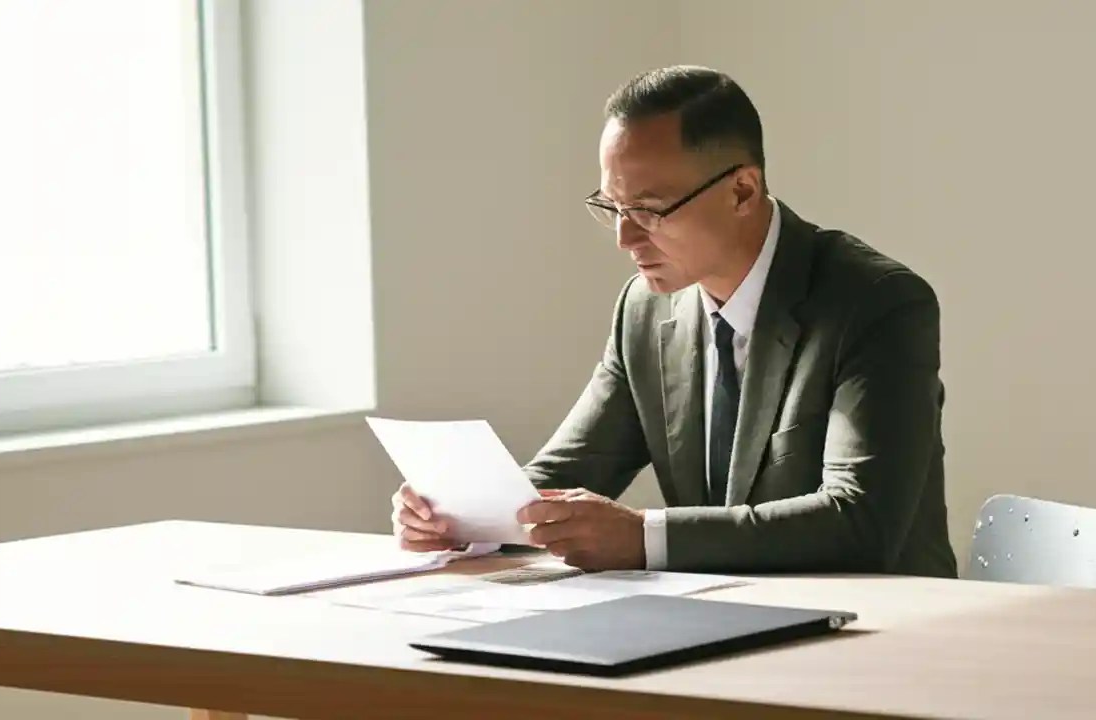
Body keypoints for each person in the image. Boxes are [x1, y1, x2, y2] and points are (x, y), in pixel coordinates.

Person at [392, 65, 957, 577]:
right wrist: (461, 518)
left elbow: (859, 522)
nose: (625, 237)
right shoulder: (644, 309)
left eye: (649, 209)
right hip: (718, 624)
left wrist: (644, 538)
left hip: (879, 632)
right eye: (612, 207)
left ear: (742, 190)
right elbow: (570, 471)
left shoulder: (878, 303)